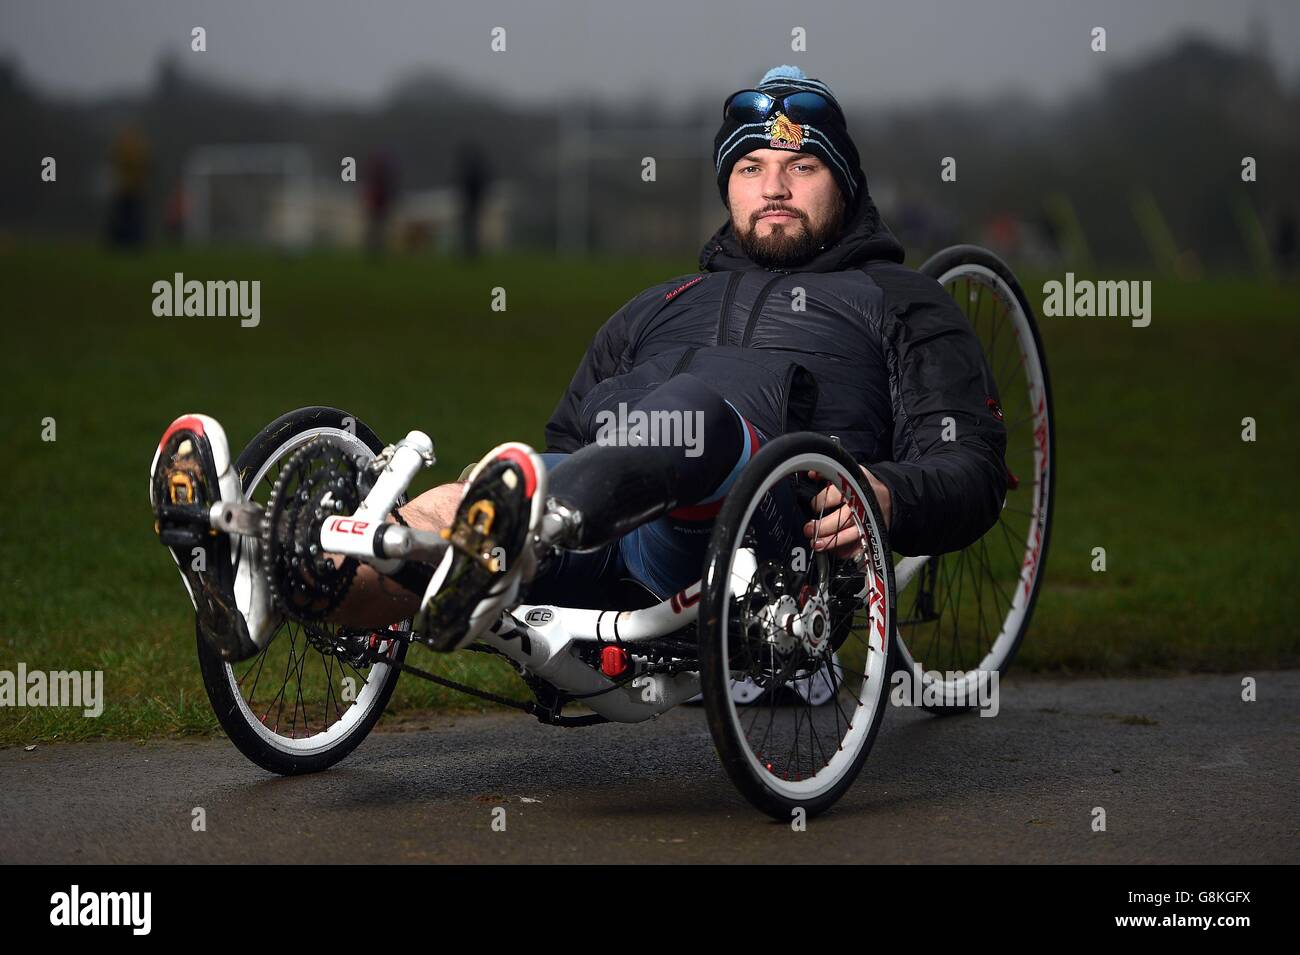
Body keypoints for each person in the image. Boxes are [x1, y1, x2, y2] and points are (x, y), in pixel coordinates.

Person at [150, 66, 1007, 663]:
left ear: (844, 185)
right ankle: (282, 573)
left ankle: (518, 535)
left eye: (801, 164)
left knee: (693, 412)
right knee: (475, 496)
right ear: (726, 186)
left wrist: (887, 496)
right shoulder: (657, 304)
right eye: (751, 166)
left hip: (758, 543)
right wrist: (519, 497)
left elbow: (973, 467)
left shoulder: (901, 299)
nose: (773, 185)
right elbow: (560, 441)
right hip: (598, 533)